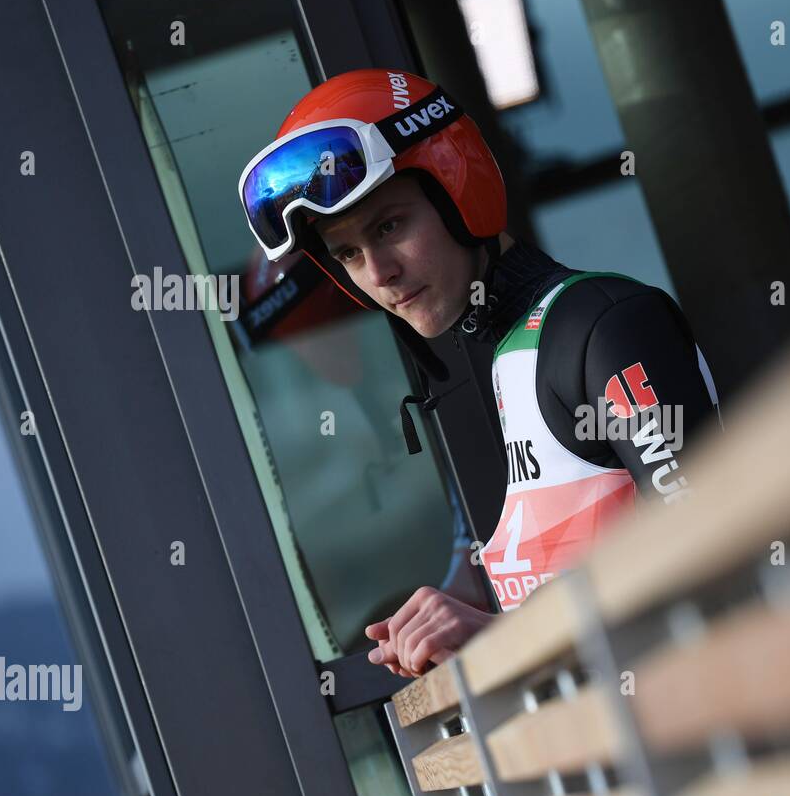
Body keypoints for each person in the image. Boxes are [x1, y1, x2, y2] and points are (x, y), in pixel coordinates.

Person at [238, 69, 719, 677]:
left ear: (458, 188)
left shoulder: (600, 323)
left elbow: (711, 544)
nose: (379, 271)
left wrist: (506, 637)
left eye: (389, 226)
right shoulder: (491, 370)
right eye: (349, 254)